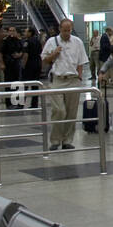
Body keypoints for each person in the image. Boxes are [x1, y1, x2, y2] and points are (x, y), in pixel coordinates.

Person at [41, 18, 89, 150]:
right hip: (58, 79)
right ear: (59, 29)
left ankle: (67, 140)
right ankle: (55, 140)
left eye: (69, 30)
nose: (67, 33)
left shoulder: (77, 42)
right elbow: (44, 60)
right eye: (64, 30)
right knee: (59, 110)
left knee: (71, 112)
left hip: (73, 79)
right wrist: (54, 54)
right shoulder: (51, 42)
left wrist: (79, 77)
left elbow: (81, 61)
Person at [1, 26, 25, 106]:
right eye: (10, 31)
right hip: (8, 64)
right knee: (8, 84)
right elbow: (0, 53)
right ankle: (9, 102)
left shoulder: (19, 41)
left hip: (17, 64)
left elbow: (22, 50)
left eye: (13, 31)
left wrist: (19, 55)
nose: (12, 32)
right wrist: (2, 63)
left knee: (18, 83)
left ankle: (18, 101)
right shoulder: (5, 41)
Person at [20, 26, 43, 107]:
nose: (24, 33)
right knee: (35, 85)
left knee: (24, 84)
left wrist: (23, 65)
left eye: (26, 32)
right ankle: (34, 104)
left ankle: (21, 104)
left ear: (30, 33)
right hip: (37, 63)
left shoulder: (27, 42)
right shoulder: (37, 41)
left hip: (29, 64)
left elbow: (26, 55)